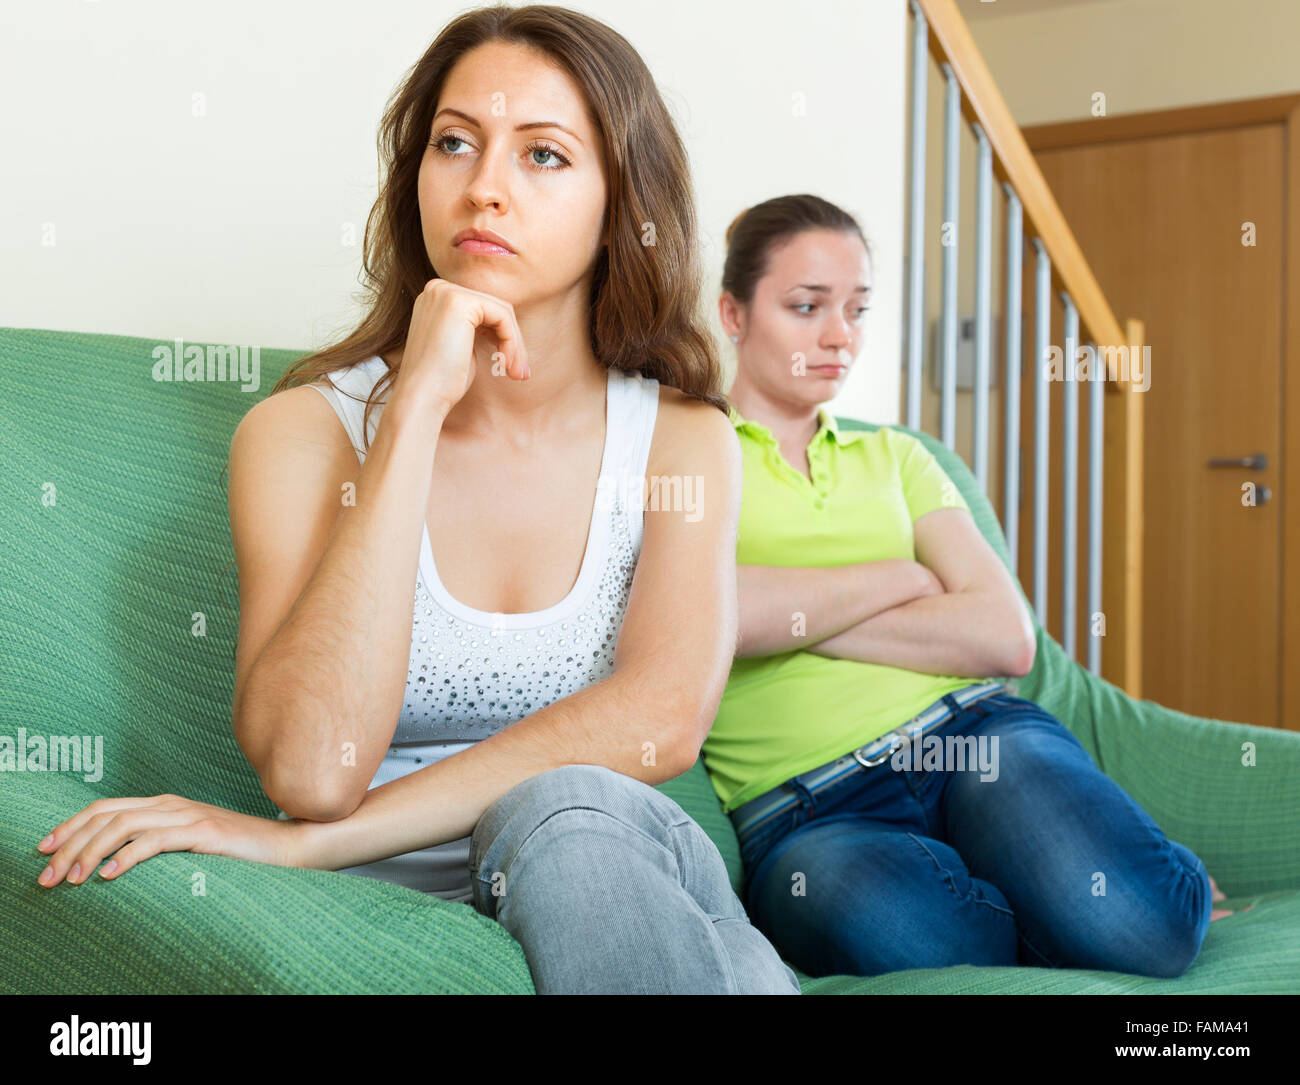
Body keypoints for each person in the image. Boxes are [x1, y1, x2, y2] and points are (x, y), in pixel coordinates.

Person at [32, 4, 800, 996]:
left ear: (622, 203)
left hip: (625, 872)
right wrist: (414, 416)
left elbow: (656, 725)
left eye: (544, 156)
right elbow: (311, 772)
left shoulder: (686, 438)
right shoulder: (304, 433)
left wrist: (315, 845)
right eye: (454, 144)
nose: (484, 188)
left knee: (565, 805)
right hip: (441, 913)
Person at [706, 192, 1216, 979]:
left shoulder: (901, 459)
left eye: (857, 308)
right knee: (931, 945)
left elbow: (1003, 637)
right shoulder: (690, 451)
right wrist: (903, 579)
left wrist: (794, 612)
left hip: (971, 734)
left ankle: (1135, 878)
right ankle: (1047, 901)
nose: (840, 336)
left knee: (1148, 928)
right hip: (807, 809)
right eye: (806, 307)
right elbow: (708, 615)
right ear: (732, 315)